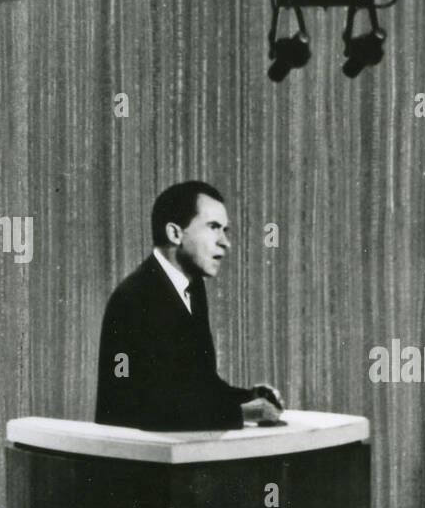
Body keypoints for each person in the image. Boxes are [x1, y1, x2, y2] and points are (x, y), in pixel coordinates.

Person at [95, 181, 284, 430]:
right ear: (175, 234)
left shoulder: (192, 289)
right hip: (137, 462)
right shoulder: (132, 298)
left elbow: (198, 387)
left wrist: (249, 396)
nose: (225, 242)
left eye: (225, 230)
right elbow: (135, 404)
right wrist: (241, 413)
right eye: (214, 227)